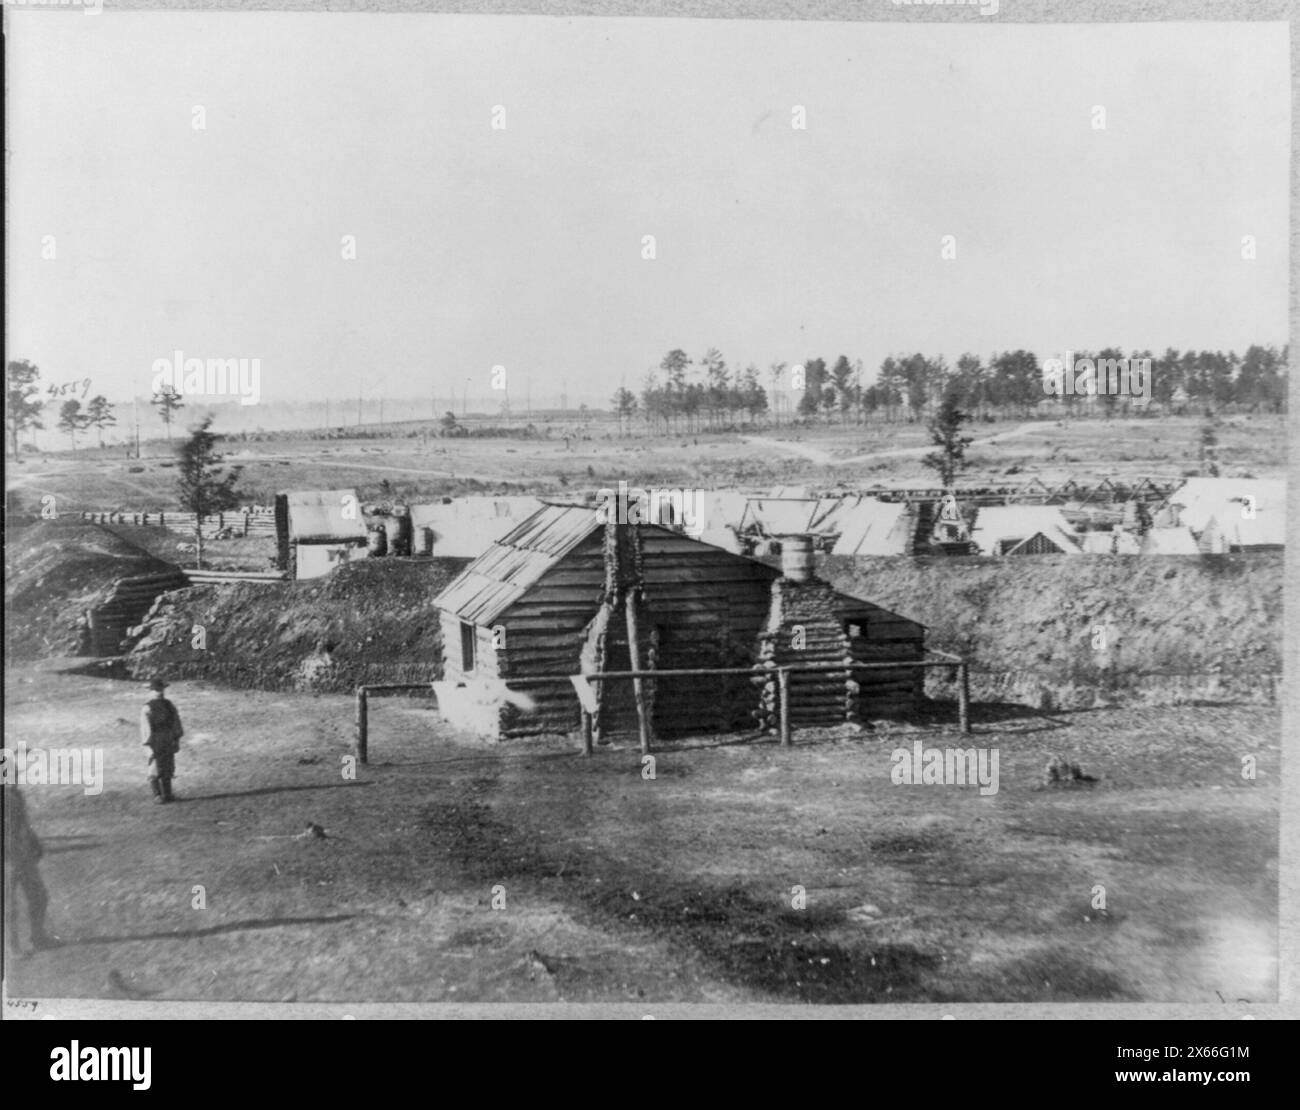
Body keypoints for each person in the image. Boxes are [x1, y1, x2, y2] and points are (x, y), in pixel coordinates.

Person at [4, 785, 56, 950]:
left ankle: (37, 937)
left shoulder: (14, 794)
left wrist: (34, 842)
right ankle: (12, 948)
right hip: (9, 857)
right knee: (9, 904)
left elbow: (23, 824)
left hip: (22, 855)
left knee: (39, 896)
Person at [141, 678, 184, 803]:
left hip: (168, 739)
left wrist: (176, 738)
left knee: (168, 767)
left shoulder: (169, 705)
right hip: (154, 740)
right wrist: (147, 745)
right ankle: (157, 795)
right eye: (155, 690)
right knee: (154, 768)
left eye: (160, 689)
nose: (158, 692)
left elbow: (176, 722)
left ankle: (168, 794)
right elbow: (145, 728)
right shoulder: (147, 708)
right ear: (150, 691)